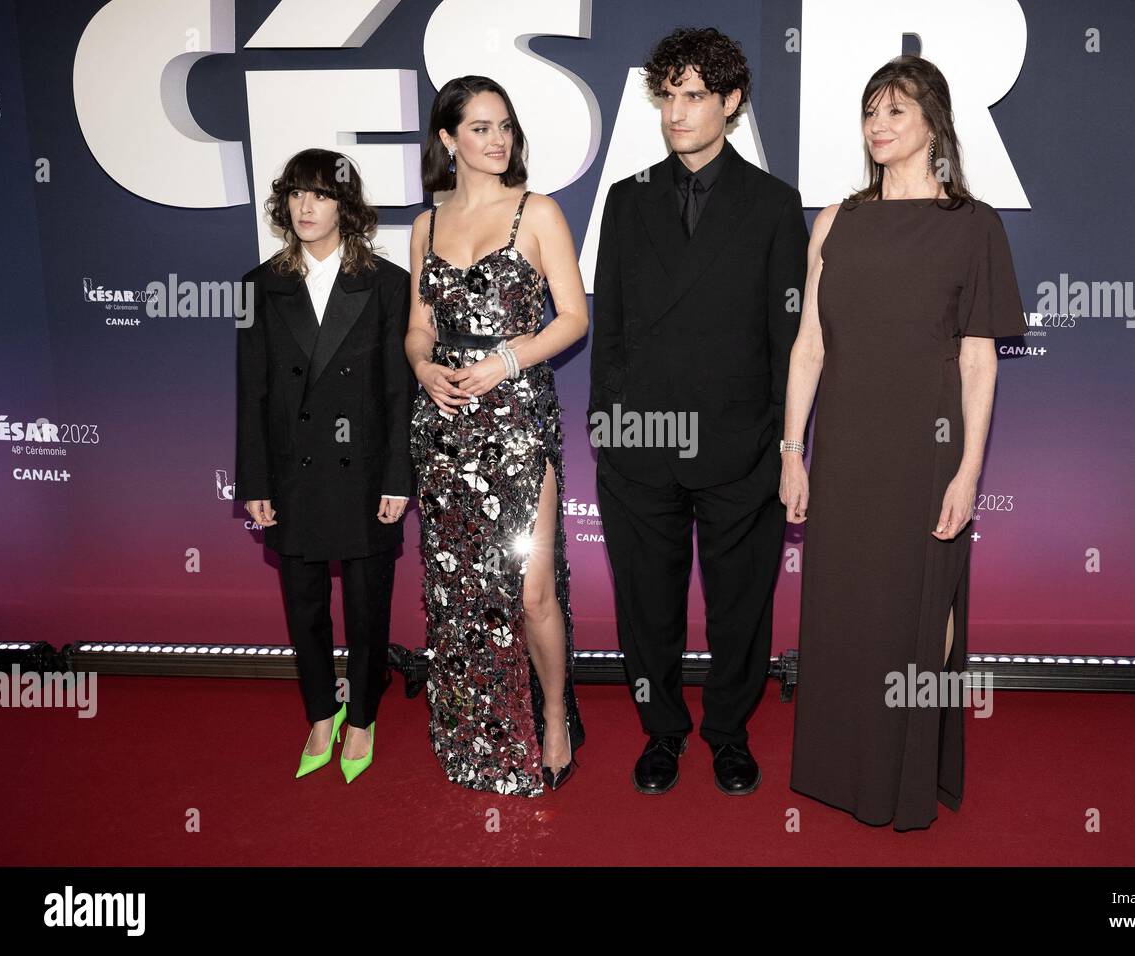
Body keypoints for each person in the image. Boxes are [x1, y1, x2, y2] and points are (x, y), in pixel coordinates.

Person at [782, 55, 1028, 830]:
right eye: (870, 113)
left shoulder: (973, 225)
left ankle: (909, 772)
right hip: (847, 449)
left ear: (934, 124)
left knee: (921, 610)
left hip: (926, 449)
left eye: (896, 111)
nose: (879, 126)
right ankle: (844, 770)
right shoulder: (838, 220)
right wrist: (793, 450)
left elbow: (978, 359)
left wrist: (967, 471)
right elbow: (809, 347)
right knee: (846, 611)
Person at [591, 27, 808, 796]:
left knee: (739, 609)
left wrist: (784, 446)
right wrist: (608, 434)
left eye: (693, 97)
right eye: (667, 97)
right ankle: (661, 732)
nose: (676, 113)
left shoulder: (775, 207)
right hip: (638, 450)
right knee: (646, 608)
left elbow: (790, 339)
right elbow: (608, 326)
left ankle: (727, 732)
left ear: (731, 102)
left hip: (738, 448)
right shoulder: (626, 200)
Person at [406, 76, 590, 796]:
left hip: (516, 423)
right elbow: (418, 328)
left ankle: (551, 717)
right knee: (457, 592)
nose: (498, 139)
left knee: (533, 589)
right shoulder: (425, 225)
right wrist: (424, 367)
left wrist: (505, 360)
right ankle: (471, 723)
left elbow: (572, 318)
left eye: (505, 125)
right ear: (448, 139)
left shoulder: (537, 212)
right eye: (480, 127)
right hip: (445, 426)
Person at [235, 147, 414, 784]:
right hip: (292, 473)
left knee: (368, 607)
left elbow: (399, 392)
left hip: (365, 474)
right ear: (284, 204)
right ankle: (319, 713)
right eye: (296, 194)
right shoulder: (259, 286)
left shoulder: (389, 284)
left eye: (321, 194)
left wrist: (399, 476)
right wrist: (253, 481)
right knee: (303, 603)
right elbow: (251, 392)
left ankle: (360, 715)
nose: (307, 206)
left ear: (346, 206)